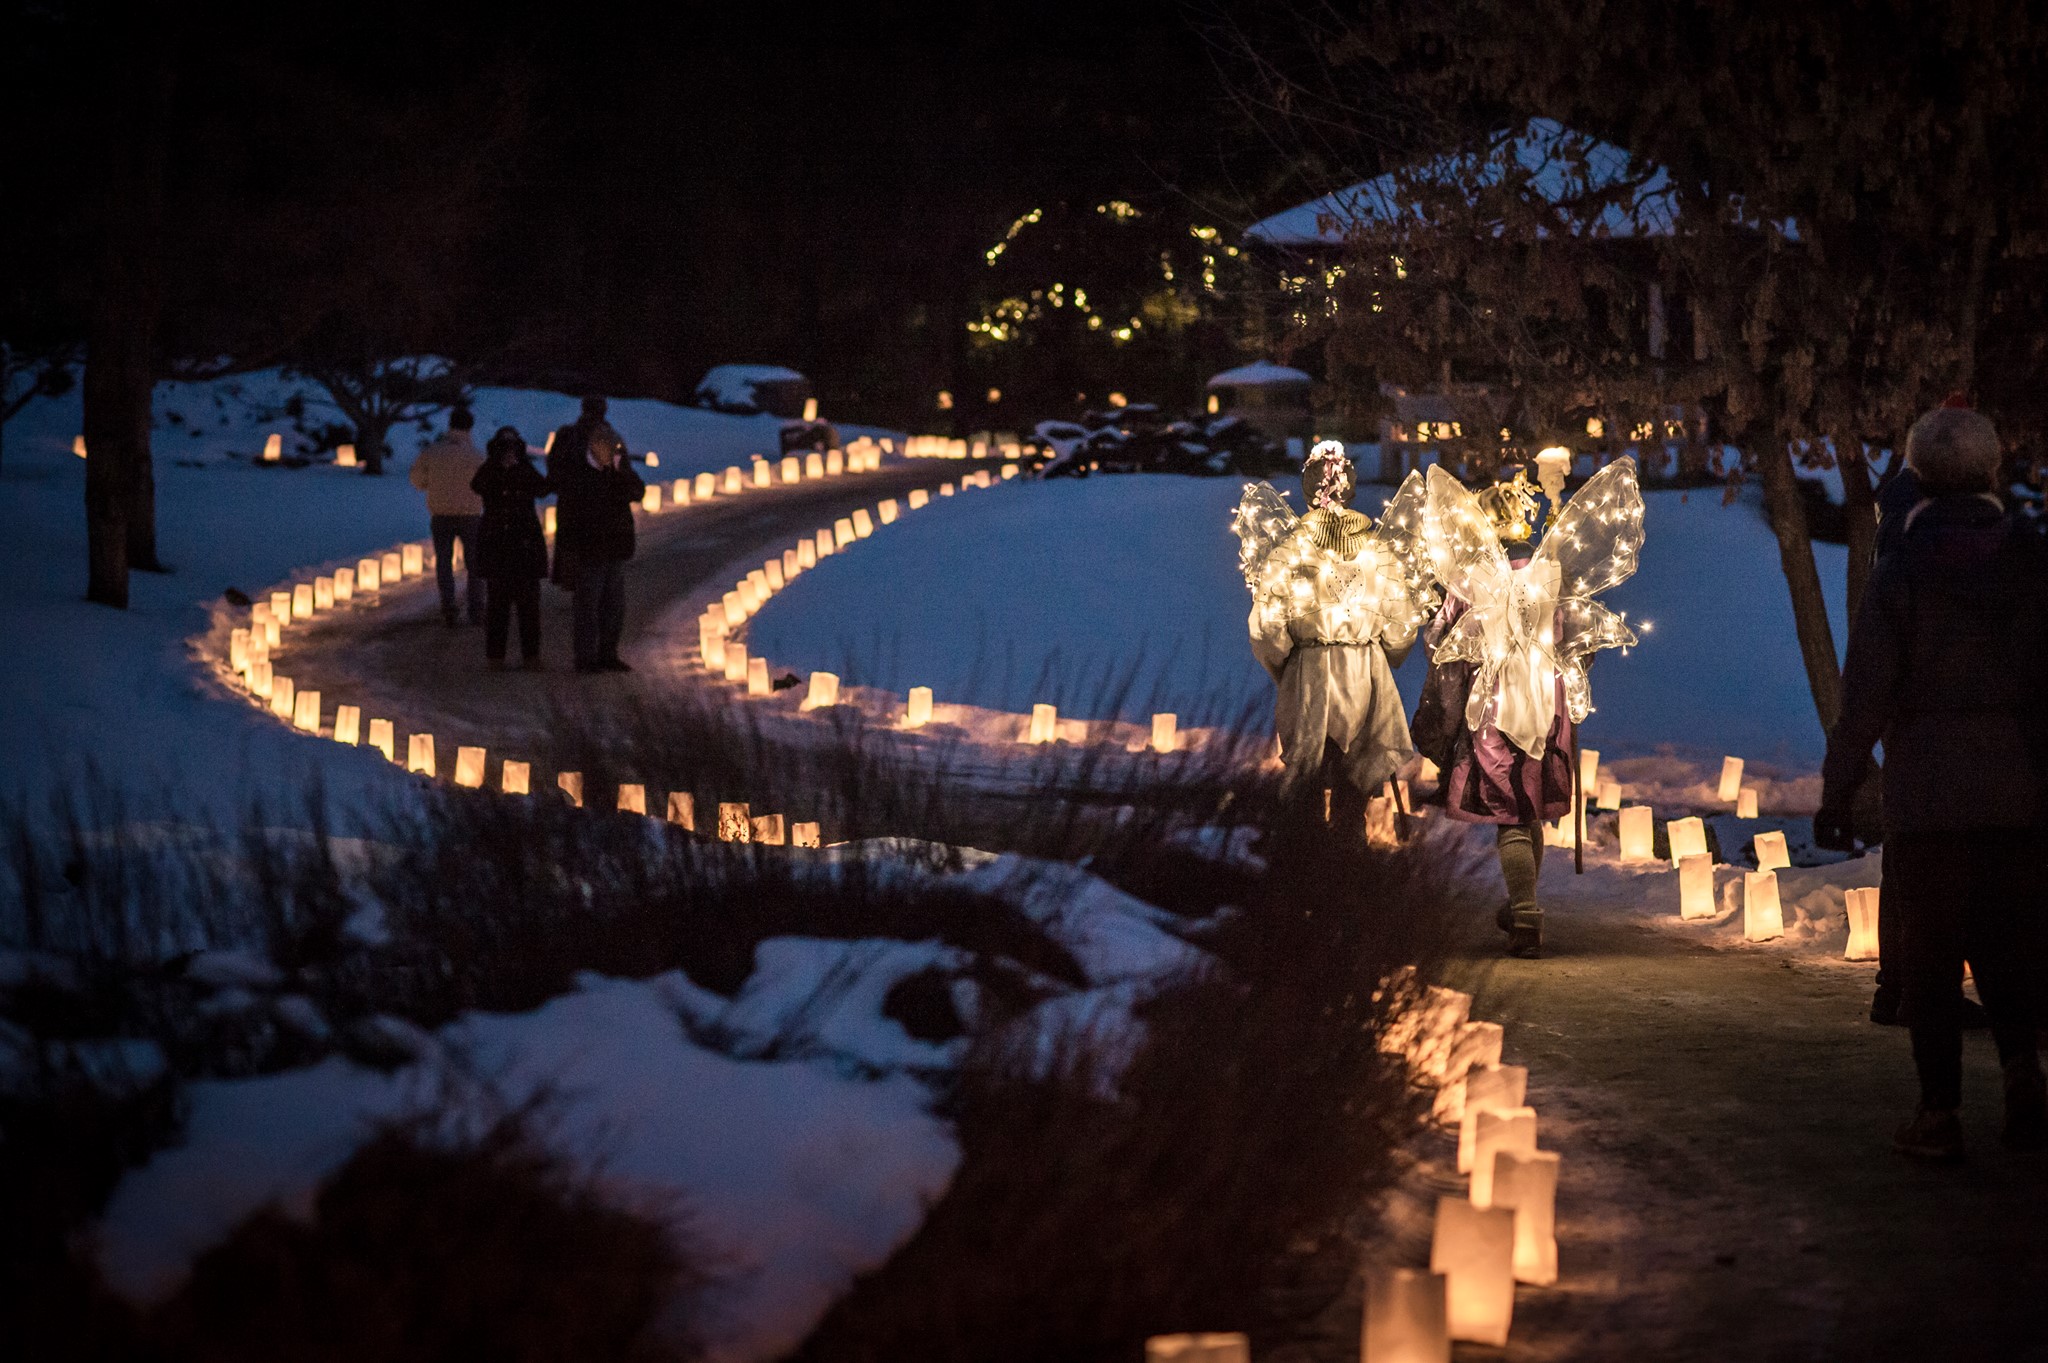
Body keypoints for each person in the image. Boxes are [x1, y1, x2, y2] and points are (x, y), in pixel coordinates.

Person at [1817, 403, 2048, 1160]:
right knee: (2013, 944)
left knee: (1931, 955)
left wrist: (1840, 789)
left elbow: (1865, 694)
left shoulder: (1903, 570)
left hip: (1928, 799)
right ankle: (2023, 1080)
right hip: (2019, 792)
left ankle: (1939, 1111)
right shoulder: (2031, 563)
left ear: (1916, 475)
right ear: (1993, 470)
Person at [1411, 461, 1644, 960]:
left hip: (1496, 703)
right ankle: (1522, 905)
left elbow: (1440, 641)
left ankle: (1524, 912)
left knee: (1510, 811)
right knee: (1528, 806)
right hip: (1545, 700)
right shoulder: (1551, 574)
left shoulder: (1471, 580)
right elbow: (1578, 642)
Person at [1235, 444, 1431, 832]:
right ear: (1350, 490)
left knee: (1308, 777)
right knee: (1355, 781)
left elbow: (1266, 629)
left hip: (1310, 675)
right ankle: (1349, 849)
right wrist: (1384, 653)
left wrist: (1285, 665)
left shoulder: (1289, 554)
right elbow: (1401, 625)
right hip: (1366, 675)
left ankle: (1308, 853)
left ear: (1308, 491)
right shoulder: (1381, 555)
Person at [547, 395, 644, 673]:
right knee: (595, 600)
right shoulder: (574, 443)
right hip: (593, 535)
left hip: (603, 534)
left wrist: (616, 474)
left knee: (604, 601)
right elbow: (561, 480)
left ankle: (601, 654)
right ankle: (593, 656)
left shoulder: (603, 442)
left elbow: (633, 487)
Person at [470, 426, 551, 670]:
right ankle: (496, 657)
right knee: (498, 605)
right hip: (498, 545)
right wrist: (498, 466)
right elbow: (477, 485)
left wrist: (519, 467)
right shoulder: (489, 470)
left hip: (524, 544)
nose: (508, 453)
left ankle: (531, 655)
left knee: (529, 605)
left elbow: (543, 488)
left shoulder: (524, 469)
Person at [410, 407, 486, 628]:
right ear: (470, 427)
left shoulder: (432, 452)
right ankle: (476, 609)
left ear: (450, 425)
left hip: (441, 514)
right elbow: (485, 483)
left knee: (444, 562)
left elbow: (416, 478)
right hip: (470, 514)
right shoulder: (476, 455)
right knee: (475, 564)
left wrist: (432, 485)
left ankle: (449, 606)